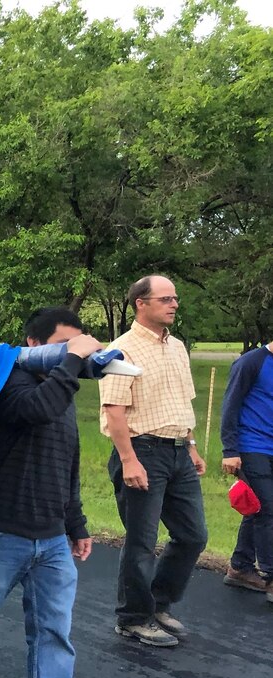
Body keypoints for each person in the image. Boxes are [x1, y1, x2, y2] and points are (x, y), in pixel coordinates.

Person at [0, 307, 100, 678]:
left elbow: (68, 463)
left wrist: (76, 524)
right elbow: (36, 409)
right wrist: (73, 361)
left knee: (54, 634)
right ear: (34, 344)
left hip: (54, 540)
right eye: (62, 346)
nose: (70, 355)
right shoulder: (8, 379)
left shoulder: (63, 392)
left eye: (77, 347)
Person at [100, 275, 207, 648]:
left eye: (175, 298)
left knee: (193, 535)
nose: (174, 304)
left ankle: (158, 604)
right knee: (142, 541)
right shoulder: (121, 350)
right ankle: (132, 618)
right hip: (142, 450)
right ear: (140, 304)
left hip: (178, 450)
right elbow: (114, 411)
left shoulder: (177, 346)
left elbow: (182, 401)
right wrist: (129, 460)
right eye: (165, 299)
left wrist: (191, 445)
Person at [220, 338, 273, 598]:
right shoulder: (252, 362)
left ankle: (240, 567)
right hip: (252, 445)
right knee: (267, 509)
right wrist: (230, 450)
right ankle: (271, 575)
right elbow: (230, 405)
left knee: (256, 508)